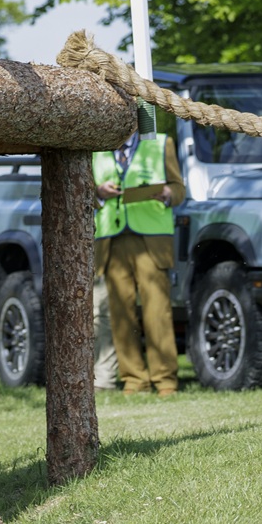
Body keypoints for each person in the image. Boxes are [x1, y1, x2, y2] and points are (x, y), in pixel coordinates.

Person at [93, 118, 188, 396]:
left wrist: (168, 193)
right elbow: (86, 191)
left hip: (151, 241)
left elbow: (179, 189)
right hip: (111, 240)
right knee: (120, 315)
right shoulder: (96, 148)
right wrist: (98, 192)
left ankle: (165, 381)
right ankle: (134, 380)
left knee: (157, 311)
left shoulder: (161, 144)